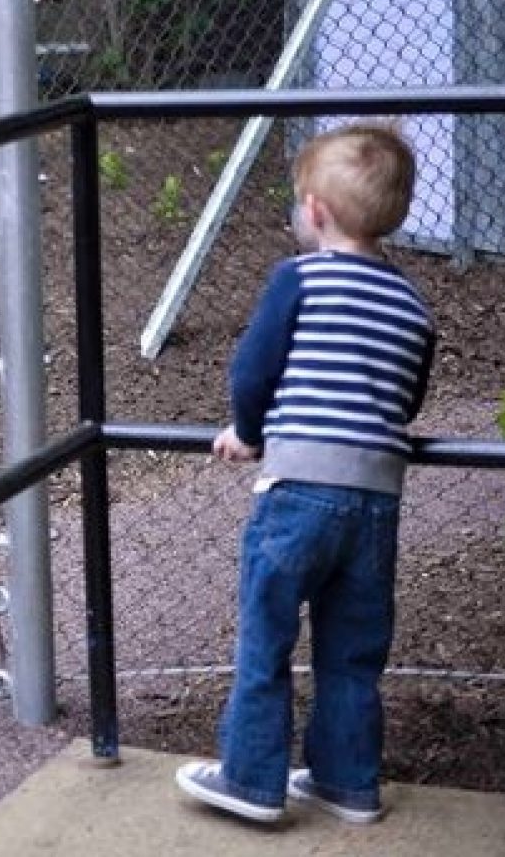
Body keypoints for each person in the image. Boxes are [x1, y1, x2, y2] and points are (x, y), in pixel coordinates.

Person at [174, 123, 437, 826]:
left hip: (297, 493)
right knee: (351, 649)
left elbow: (253, 368)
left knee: (265, 634)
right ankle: (346, 781)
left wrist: (249, 432)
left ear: (314, 211)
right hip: (376, 499)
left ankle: (252, 779)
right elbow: (406, 398)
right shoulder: (412, 305)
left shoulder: (297, 278)